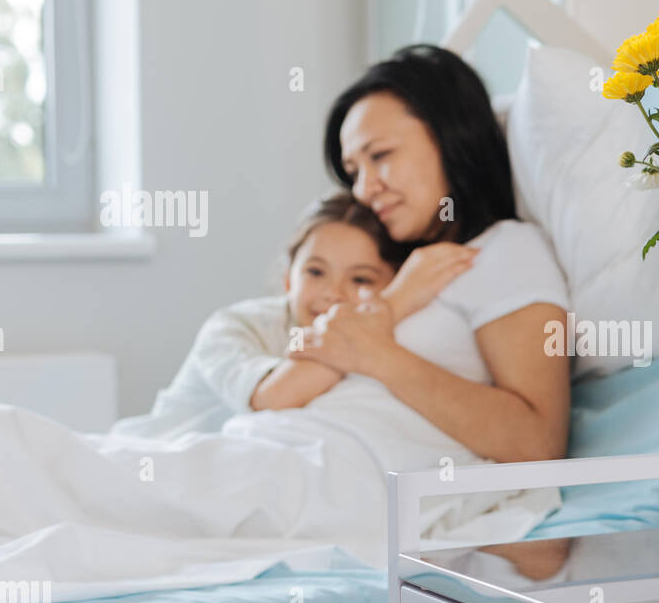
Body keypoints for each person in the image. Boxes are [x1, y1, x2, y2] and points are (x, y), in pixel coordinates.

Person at [301, 44, 571, 464]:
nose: (363, 189)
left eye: (380, 156)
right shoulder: (392, 269)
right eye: (353, 172)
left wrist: (377, 355)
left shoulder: (505, 251)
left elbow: (538, 443)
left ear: (450, 137)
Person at [110, 192, 474, 441]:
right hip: (154, 453)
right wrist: (394, 304)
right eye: (315, 272)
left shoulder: (391, 339)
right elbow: (274, 397)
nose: (333, 293)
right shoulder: (235, 327)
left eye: (361, 279)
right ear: (288, 279)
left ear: (389, 283)